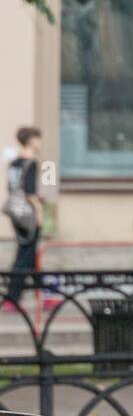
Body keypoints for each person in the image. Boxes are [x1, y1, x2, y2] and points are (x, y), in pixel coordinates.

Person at [4, 127, 44, 312]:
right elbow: (30, 193)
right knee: (25, 256)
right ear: (31, 141)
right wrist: (40, 212)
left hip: (16, 214)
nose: (40, 143)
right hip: (28, 215)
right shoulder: (31, 163)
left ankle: (44, 293)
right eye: (38, 139)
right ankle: (12, 297)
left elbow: (12, 188)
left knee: (31, 253)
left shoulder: (13, 163)